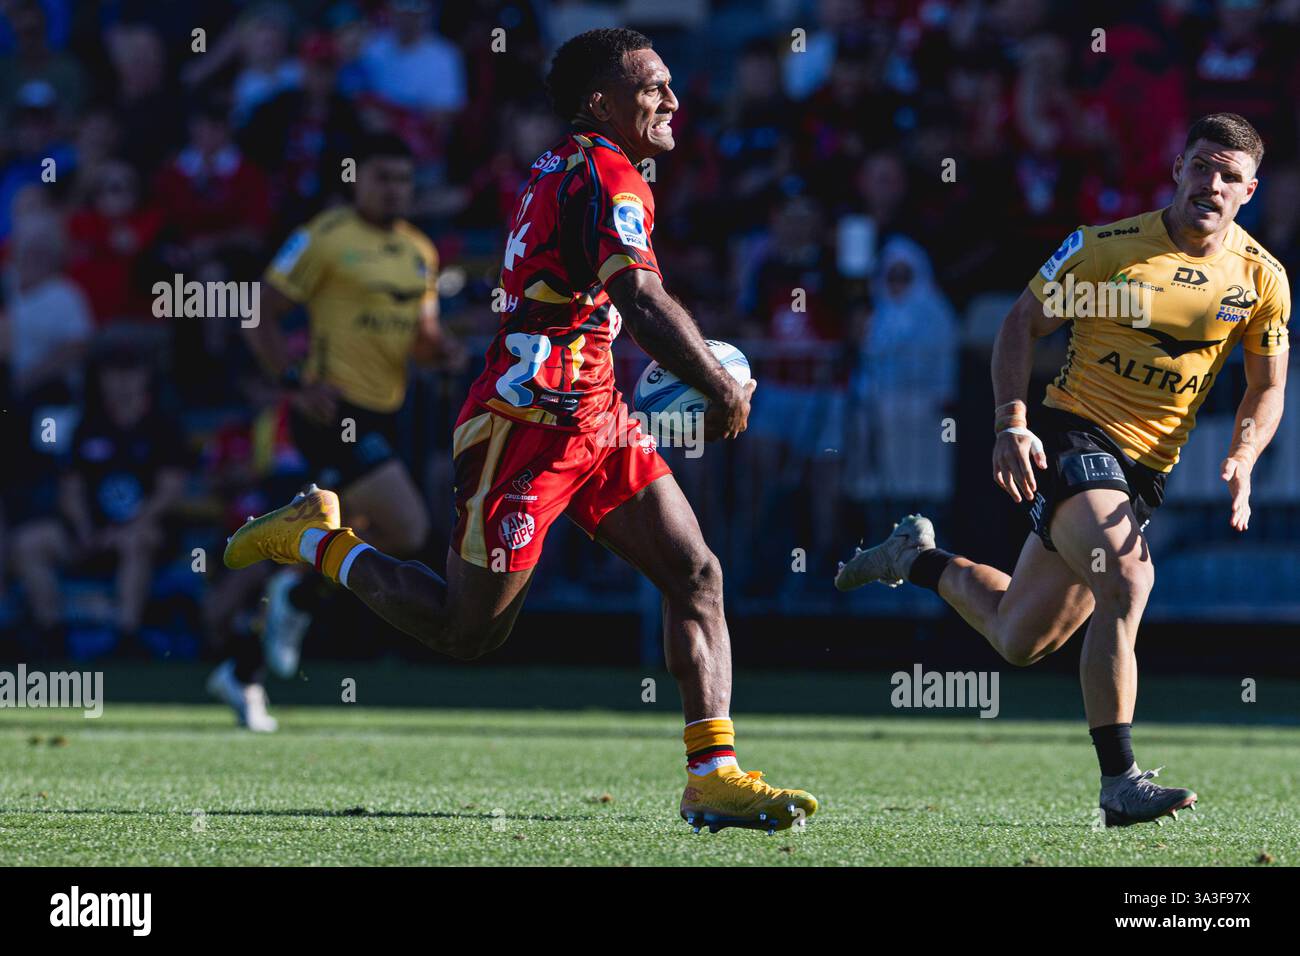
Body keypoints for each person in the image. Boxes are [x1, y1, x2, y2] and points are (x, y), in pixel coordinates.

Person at [224, 28, 817, 833]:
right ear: (600, 101)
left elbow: (588, 294)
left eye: (673, 85)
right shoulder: (607, 174)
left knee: (696, 573)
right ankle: (314, 541)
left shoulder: (568, 167)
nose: (674, 100)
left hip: (597, 416)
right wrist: (718, 386)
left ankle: (712, 775)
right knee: (466, 632)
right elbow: (639, 298)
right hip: (525, 430)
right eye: (654, 87)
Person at [837, 113, 1289, 827]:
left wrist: (1243, 454)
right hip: (1079, 438)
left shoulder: (1261, 278)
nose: (1212, 182)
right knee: (1129, 576)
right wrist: (1011, 423)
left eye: (1229, 175)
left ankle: (914, 558)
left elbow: (1267, 388)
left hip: (1144, 473)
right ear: (1177, 168)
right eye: (1201, 165)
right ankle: (1121, 781)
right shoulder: (1108, 250)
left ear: (1249, 190)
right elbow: (1020, 323)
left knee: (1020, 638)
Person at [223, 130, 458, 712]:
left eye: (403, 180)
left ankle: (245, 664)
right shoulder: (324, 237)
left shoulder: (420, 252)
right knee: (405, 528)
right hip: (332, 410)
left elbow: (424, 339)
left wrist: (450, 351)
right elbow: (260, 312)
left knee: (350, 543)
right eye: (382, 177)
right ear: (356, 180)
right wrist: (294, 383)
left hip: (388, 411)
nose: (394, 190)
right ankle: (297, 581)